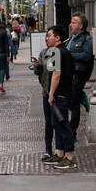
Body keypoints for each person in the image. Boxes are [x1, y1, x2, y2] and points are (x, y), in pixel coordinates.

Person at [33, 25, 77, 169]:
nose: (47, 38)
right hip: (61, 93)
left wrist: (51, 94)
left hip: (60, 94)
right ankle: (59, 154)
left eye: (50, 35)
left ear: (57, 38)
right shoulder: (61, 52)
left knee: (63, 124)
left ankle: (69, 157)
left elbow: (56, 75)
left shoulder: (58, 52)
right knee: (57, 124)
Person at [66, 13, 94, 133]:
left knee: (74, 104)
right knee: (70, 101)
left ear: (81, 26)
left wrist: (70, 56)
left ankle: (72, 131)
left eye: (73, 22)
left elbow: (86, 56)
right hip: (69, 74)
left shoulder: (87, 39)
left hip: (78, 75)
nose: (70, 25)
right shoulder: (71, 38)